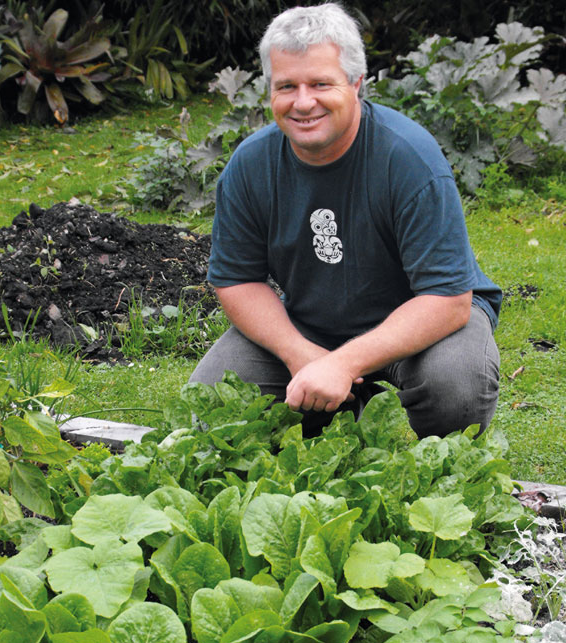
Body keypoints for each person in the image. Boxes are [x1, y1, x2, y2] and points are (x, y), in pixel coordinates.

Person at [189, 2, 502, 439]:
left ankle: (422, 440)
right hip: (312, 324)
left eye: (321, 83)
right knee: (211, 406)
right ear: (269, 91)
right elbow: (237, 280)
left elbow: (447, 300)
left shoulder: (408, 158)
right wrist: (299, 353)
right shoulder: (249, 165)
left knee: (456, 390)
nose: (303, 103)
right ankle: (336, 409)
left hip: (422, 320)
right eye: (286, 86)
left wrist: (342, 362)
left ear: (356, 82)